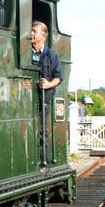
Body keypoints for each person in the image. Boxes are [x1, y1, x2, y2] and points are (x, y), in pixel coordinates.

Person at [30, 20, 62, 164]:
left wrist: (49, 84)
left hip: (43, 98)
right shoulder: (25, 51)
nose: (31, 33)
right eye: (31, 31)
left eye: (34, 31)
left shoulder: (52, 56)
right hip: (27, 98)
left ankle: (44, 161)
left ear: (43, 36)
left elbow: (58, 78)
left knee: (42, 130)